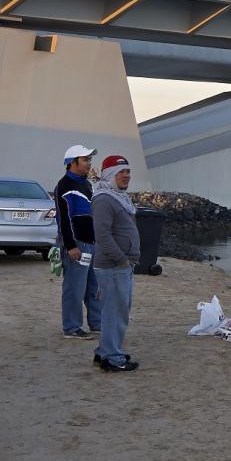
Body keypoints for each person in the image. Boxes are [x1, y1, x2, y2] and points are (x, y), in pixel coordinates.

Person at [90, 154, 141, 372]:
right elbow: (102, 235)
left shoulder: (118, 198)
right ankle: (112, 357)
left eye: (128, 172)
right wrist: (121, 260)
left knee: (116, 309)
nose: (126, 176)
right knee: (116, 311)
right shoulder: (103, 199)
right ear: (110, 175)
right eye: (121, 172)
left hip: (121, 265)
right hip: (113, 266)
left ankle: (104, 352)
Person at [53, 144, 101, 339]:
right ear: (72, 163)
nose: (89, 163)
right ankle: (72, 328)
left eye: (90, 159)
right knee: (75, 287)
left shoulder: (86, 184)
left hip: (92, 243)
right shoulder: (64, 186)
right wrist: (71, 246)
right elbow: (63, 220)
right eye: (85, 160)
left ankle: (97, 324)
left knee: (94, 286)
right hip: (77, 245)